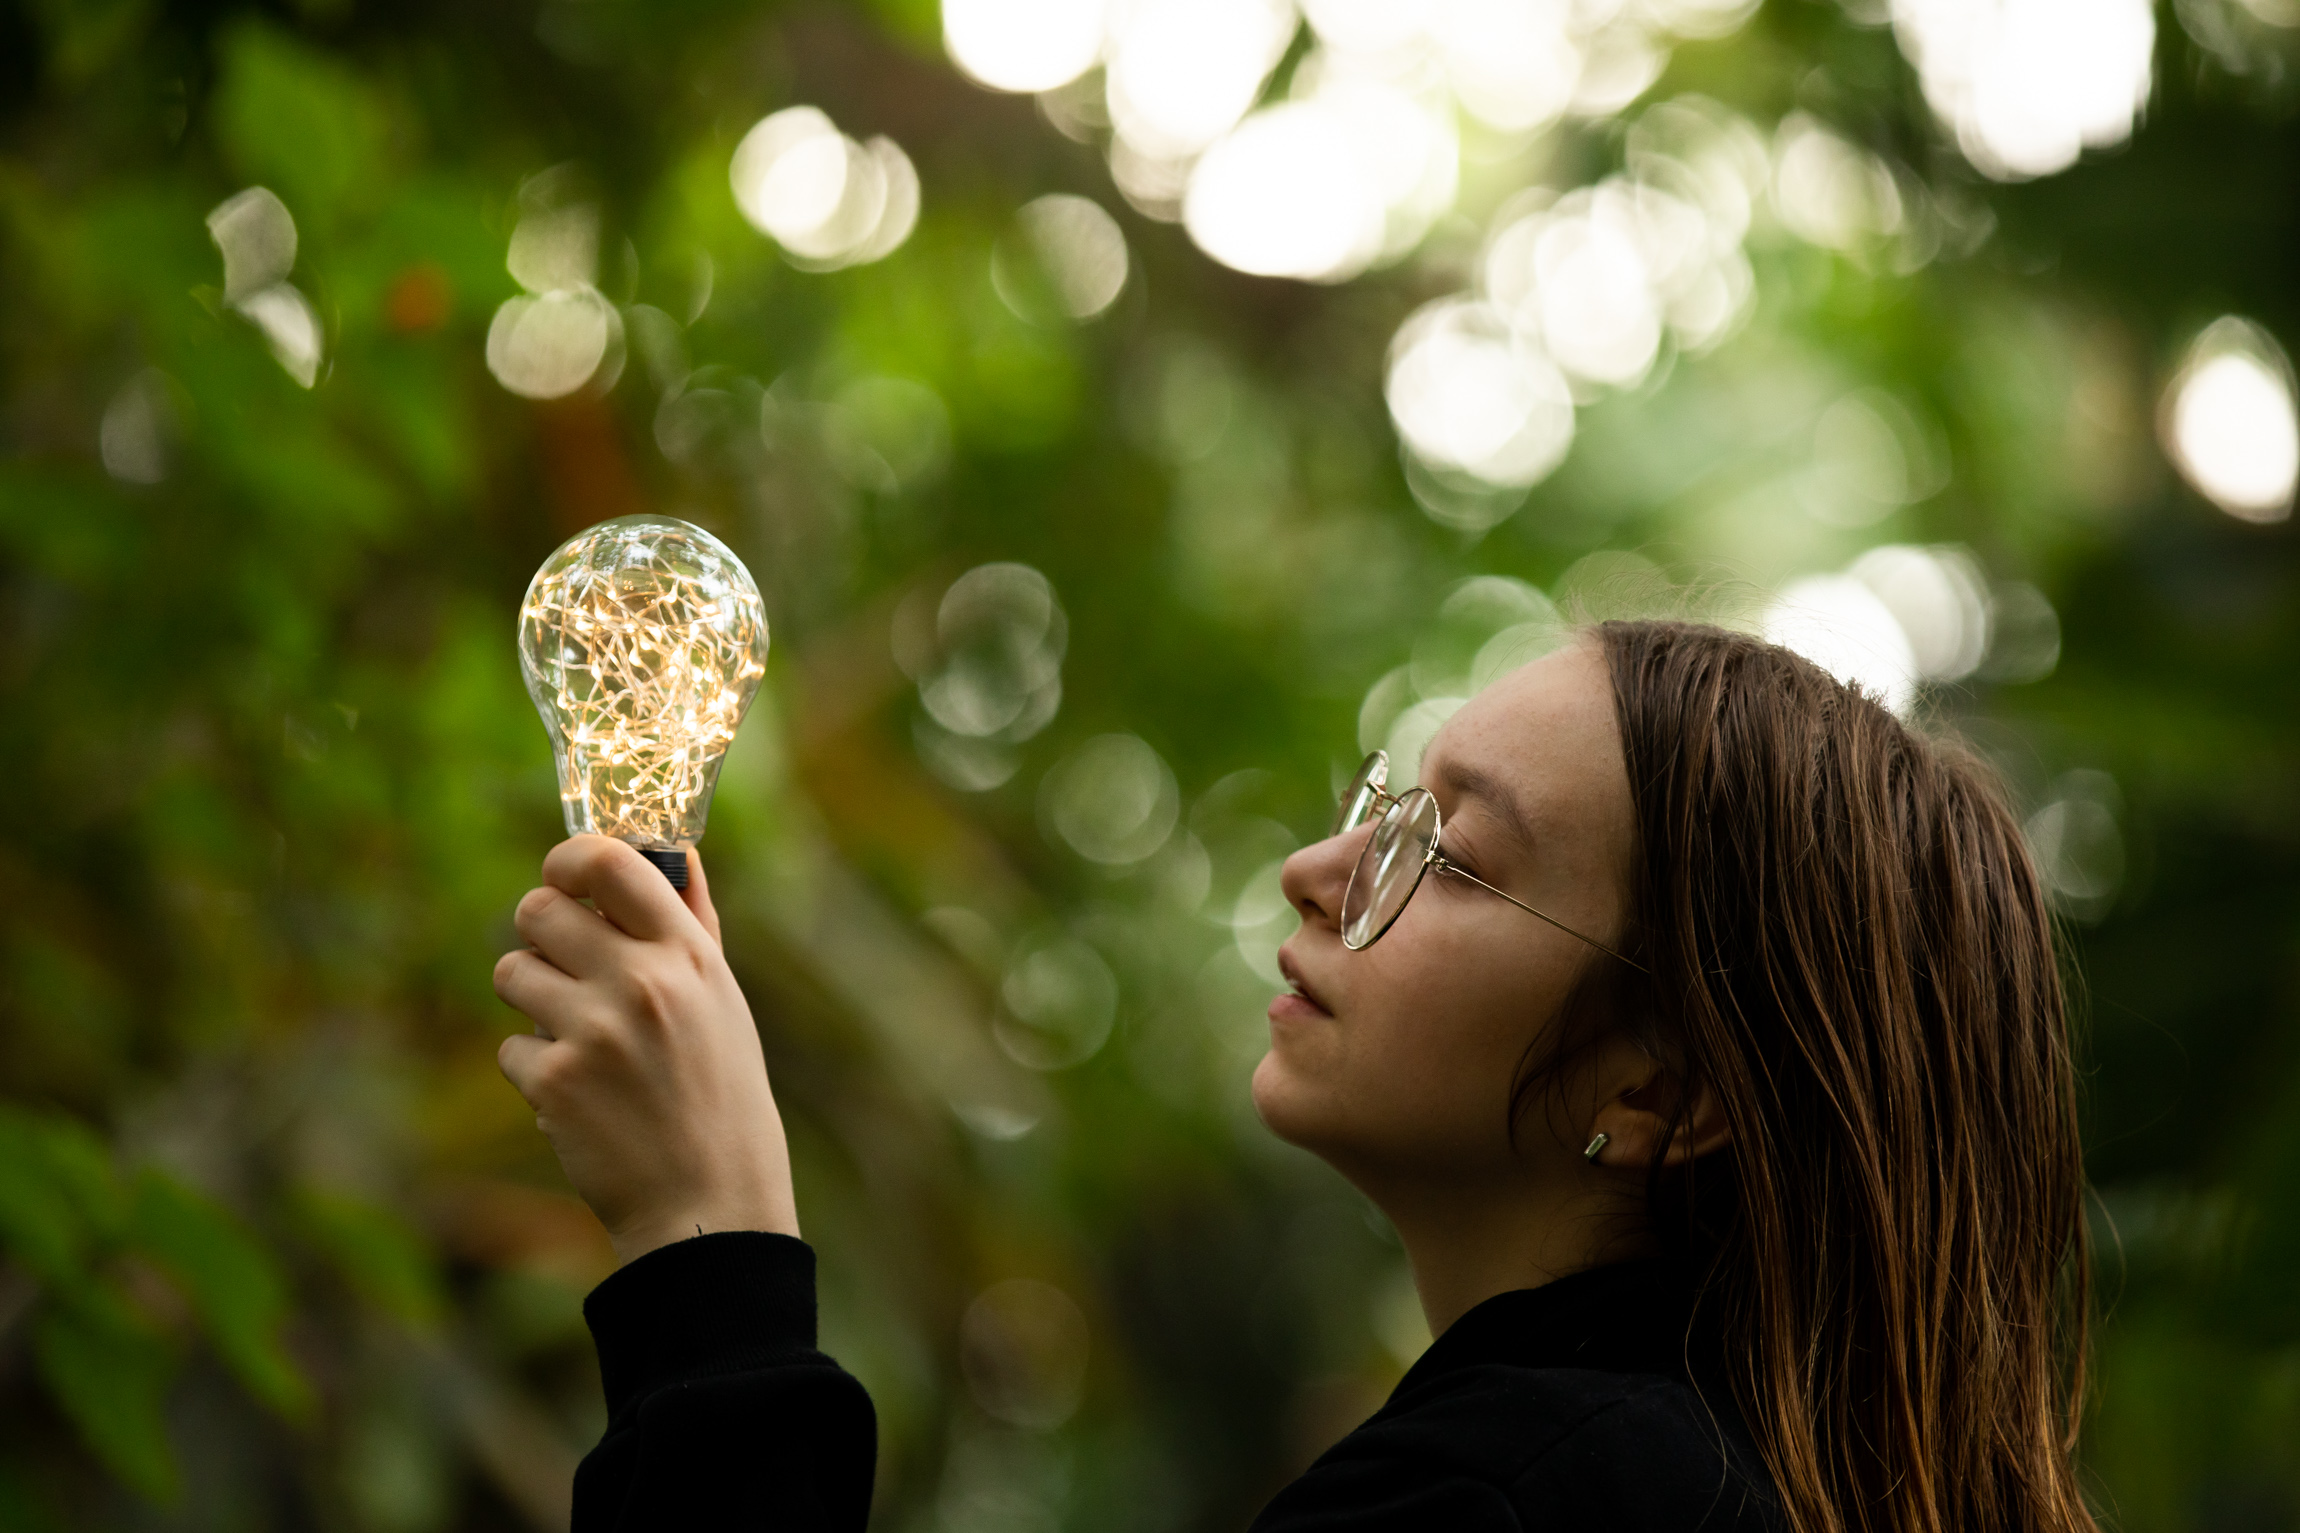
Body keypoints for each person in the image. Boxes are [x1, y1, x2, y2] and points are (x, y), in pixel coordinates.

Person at [493, 620, 2097, 1533]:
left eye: (1451, 860)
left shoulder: (1515, 1506)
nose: (1318, 868)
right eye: (1383, 805)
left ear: (1667, 1090)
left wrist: (711, 1255)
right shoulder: (1668, 1478)